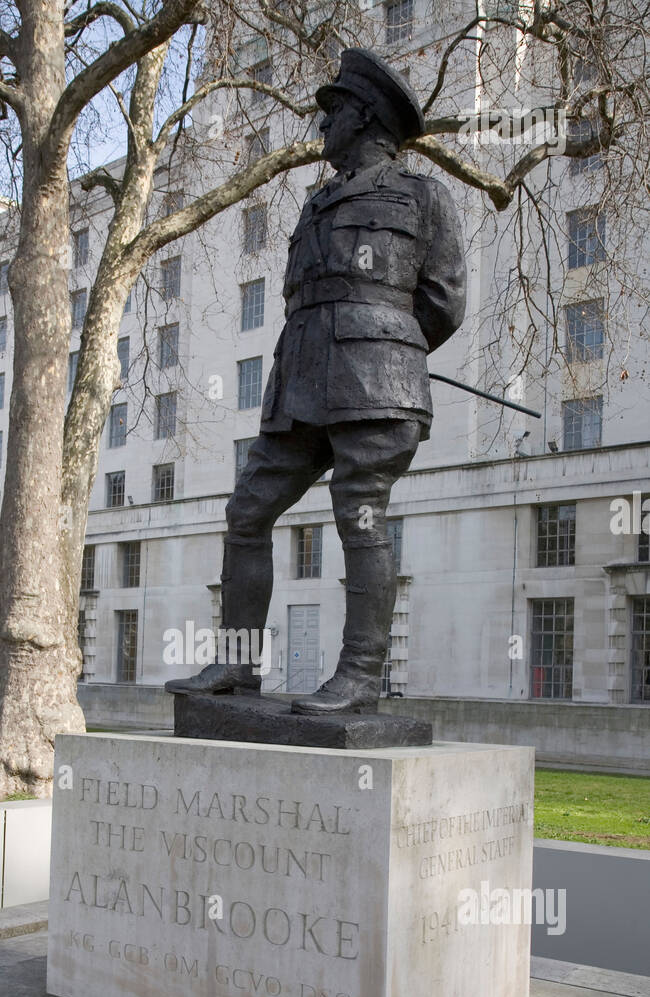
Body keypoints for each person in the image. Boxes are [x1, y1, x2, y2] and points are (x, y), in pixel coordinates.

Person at [166, 48, 466, 713]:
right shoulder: (315, 202)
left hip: (375, 380)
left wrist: (383, 347)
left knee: (360, 513)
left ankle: (360, 675)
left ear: (362, 117)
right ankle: (237, 667)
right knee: (247, 511)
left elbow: (443, 302)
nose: (322, 127)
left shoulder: (422, 196)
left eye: (331, 114)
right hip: (299, 380)